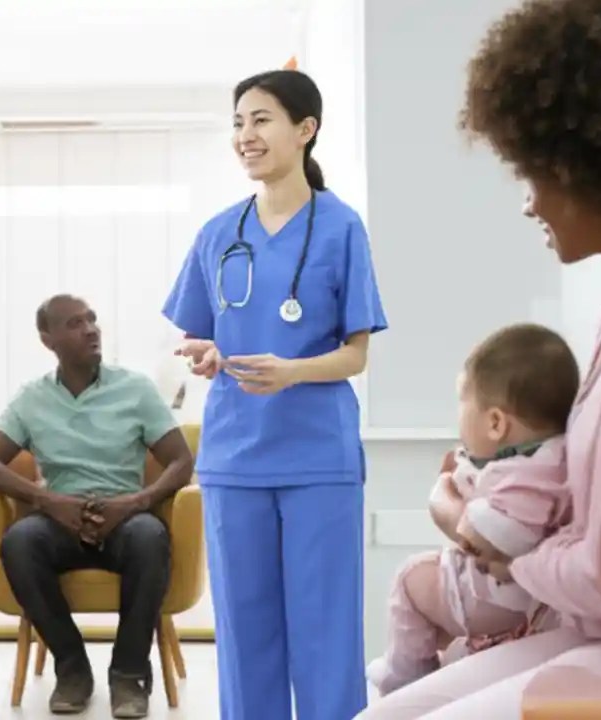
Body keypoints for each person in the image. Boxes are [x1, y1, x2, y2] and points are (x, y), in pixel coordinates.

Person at [358, 0, 601, 716]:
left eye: (534, 172)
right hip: (587, 623)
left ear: (583, 162)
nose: (531, 202)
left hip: (600, 622)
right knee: (382, 707)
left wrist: (500, 548)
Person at [163, 68, 388, 720]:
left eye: (260, 120)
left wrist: (291, 372)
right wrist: (207, 354)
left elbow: (356, 354)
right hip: (235, 457)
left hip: (318, 456)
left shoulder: (341, 228)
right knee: (245, 635)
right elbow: (200, 335)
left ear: (305, 130)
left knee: (326, 634)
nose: (245, 136)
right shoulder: (218, 233)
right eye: (238, 122)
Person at [0, 294, 195, 719]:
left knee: (150, 537)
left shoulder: (135, 388)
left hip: (124, 516)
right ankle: (72, 668)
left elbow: (182, 461)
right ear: (47, 339)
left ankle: (129, 675)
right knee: (20, 542)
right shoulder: (32, 398)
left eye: (92, 320)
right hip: (60, 518)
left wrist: (136, 502)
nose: (90, 329)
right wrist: (47, 500)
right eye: (74, 323)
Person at [367, 324, 578, 695]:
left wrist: (448, 494)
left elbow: (491, 537)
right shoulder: (558, 457)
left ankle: (404, 677)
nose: (459, 420)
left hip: (496, 595)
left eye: (463, 406)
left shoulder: (525, 473)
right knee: (458, 649)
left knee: (410, 578)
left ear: (496, 422)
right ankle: (449, 663)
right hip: (529, 601)